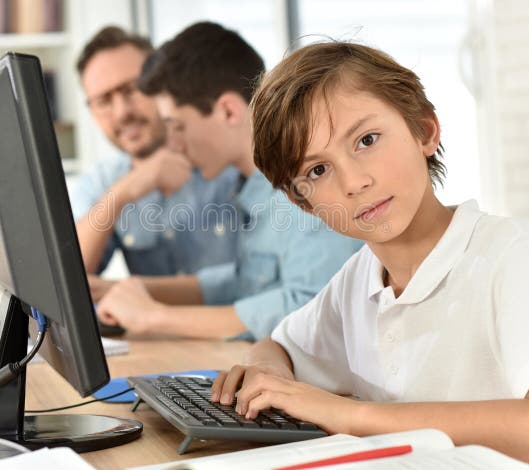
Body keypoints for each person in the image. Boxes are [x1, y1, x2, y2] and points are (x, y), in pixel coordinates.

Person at [210, 41, 529, 468]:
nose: (354, 181)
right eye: (318, 170)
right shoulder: (359, 279)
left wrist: (351, 416)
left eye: (366, 140)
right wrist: (269, 378)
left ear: (425, 130)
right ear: (304, 202)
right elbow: (279, 346)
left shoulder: (506, 253)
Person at [90, 22, 362, 340]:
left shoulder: (306, 186)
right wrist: (124, 290)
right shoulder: (253, 190)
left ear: (229, 112)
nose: (172, 144)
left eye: (176, 126)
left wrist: (155, 317)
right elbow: (248, 282)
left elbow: (308, 308)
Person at [72, 26, 239, 278]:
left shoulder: (227, 157)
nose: (121, 112)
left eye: (131, 89)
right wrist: (122, 193)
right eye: (104, 101)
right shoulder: (102, 182)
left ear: (159, 83)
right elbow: (67, 279)